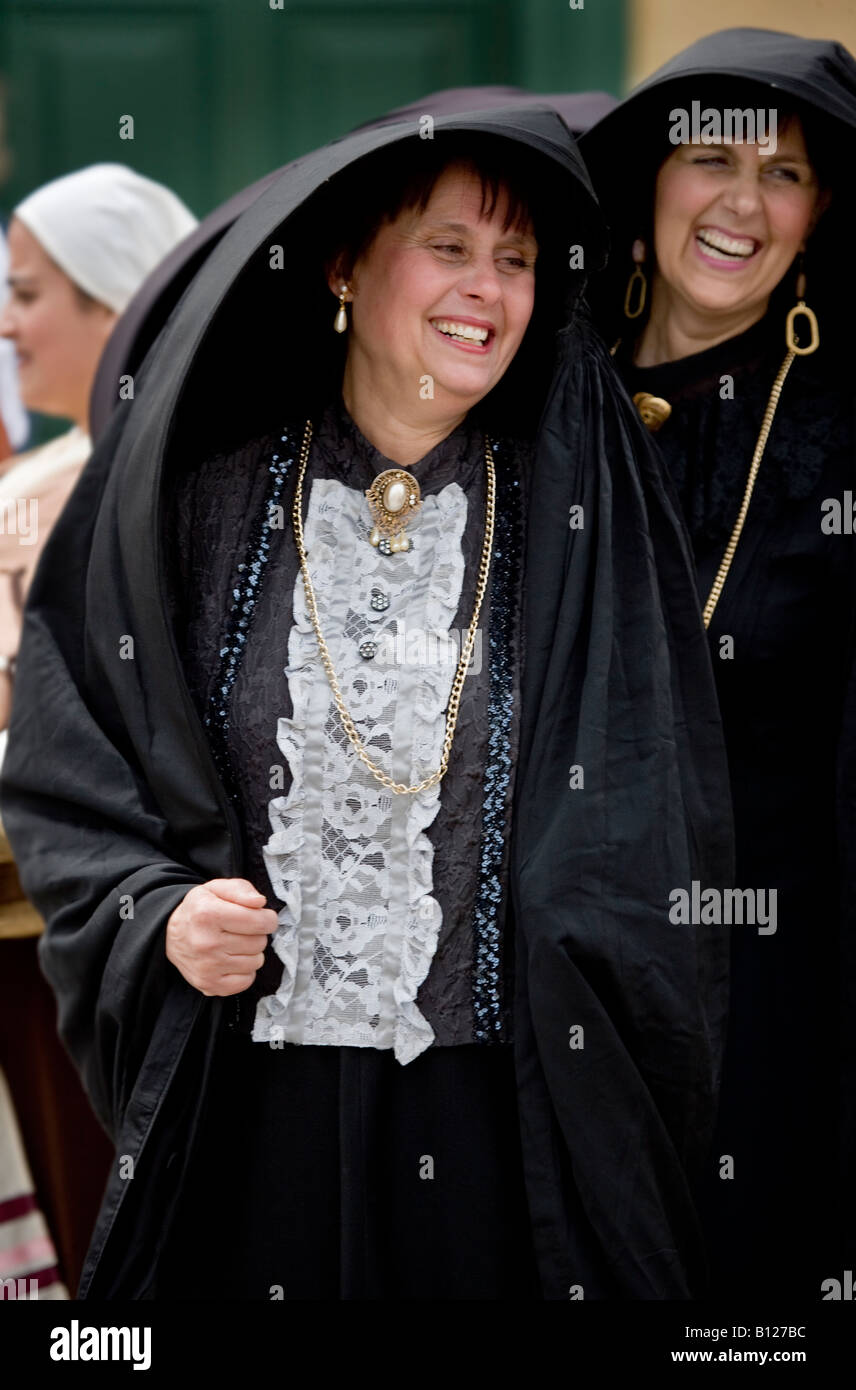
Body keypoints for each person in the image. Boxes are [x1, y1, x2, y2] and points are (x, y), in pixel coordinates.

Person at [0, 106, 732, 1300]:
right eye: (448, 247)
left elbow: (654, 806)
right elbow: (69, 758)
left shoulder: (575, 525)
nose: (485, 291)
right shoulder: (203, 505)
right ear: (344, 264)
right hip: (252, 1124)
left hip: (502, 1128)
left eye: (515, 262)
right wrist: (158, 913)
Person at [582, 27, 856, 1300]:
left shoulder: (843, 431)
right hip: (560, 960)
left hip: (775, 974)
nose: (742, 201)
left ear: (816, 213)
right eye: (709, 159)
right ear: (650, 186)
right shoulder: (539, 391)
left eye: (783, 173)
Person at [0, 162, 196, 1295]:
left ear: (112, 297)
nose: (8, 323)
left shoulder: (196, 476)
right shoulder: (29, 487)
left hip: (152, 944)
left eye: (30, 293)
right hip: (27, 934)